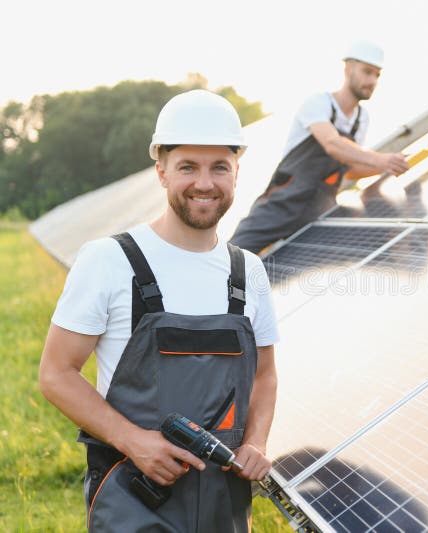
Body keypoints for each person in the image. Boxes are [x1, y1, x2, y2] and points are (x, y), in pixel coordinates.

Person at [38, 89, 279, 532]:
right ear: (162, 172)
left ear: (237, 173)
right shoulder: (109, 261)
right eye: (188, 166)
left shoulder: (250, 273)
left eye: (219, 168)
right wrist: (133, 441)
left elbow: (264, 376)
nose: (204, 183)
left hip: (223, 503)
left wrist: (257, 441)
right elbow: (56, 373)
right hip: (133, 495)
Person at [230, 40, 410, 254]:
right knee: (233, 258)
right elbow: (332, 144)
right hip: (280, 206)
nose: (372, 80)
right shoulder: (319, 103)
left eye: (377, 75)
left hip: (320, 212)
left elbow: (350, 169)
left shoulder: (362, 119)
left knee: (365, 246)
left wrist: (388, 167)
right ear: (348, 68)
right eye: (367, 72)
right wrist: (381, 159)